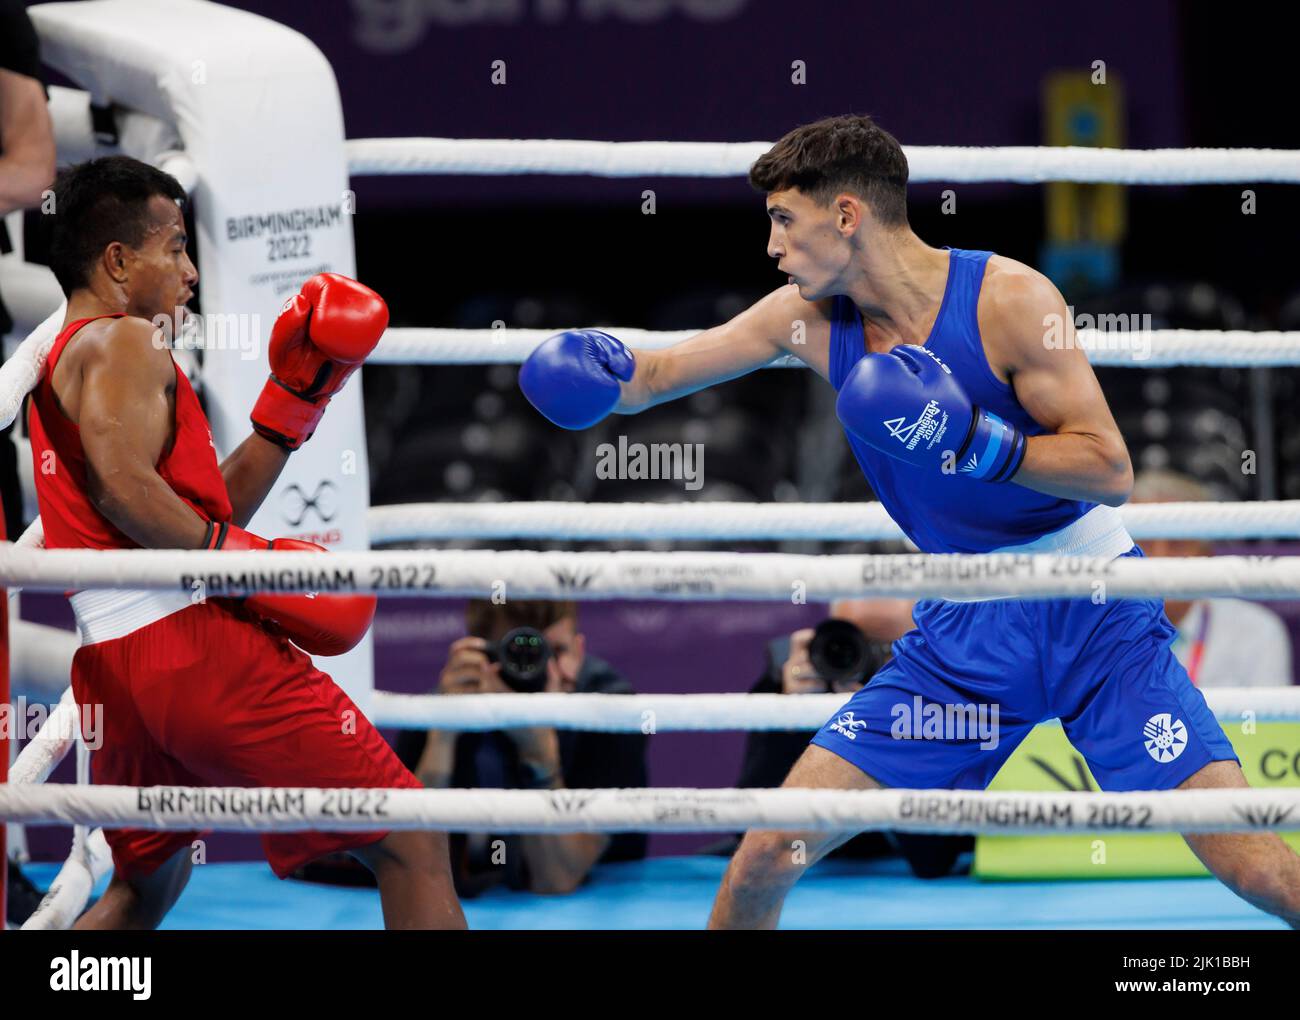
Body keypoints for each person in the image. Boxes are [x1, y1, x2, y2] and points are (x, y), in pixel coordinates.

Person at [517, 114, 1300, 929]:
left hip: (1093, 612)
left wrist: (975, 443)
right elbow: (664, 370)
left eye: (785, 220)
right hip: (962, 638)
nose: (773, 247)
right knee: (765, 853)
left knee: (1256, 867)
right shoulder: (807, 320)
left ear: (847, 215)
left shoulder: (1011, 299)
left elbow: (1109, 468)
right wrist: (605, 373)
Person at [30, 155, 464, 929]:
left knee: (144, 890)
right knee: (412, 840)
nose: (191, 272)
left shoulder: (72, 355)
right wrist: (248, 566)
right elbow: (124, 493)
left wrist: (290, 409)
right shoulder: (127, 341)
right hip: (192, 653)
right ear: (119, 261)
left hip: (119, 669)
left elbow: (189, 510)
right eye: (174, 249)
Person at [395, 599, 648, 896]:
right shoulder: (445, 706)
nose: (544, 670)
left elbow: (555, 879)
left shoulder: (610, 711)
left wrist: (540, 757)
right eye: (521, 654)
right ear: (483, 655)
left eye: (556, 652)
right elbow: (406, 861)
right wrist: (442, 737)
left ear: (580, 649)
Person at [737, 600, 972, 878]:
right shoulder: (791, 685)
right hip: (816, 873)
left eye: (888, 650)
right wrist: (795, 719)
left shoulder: (945, 696)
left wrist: (881, 721)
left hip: (897, 871)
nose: (860, 658)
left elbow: (933, 859)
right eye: (854, 640)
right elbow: (748, 830)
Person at [1132, 468, 1294, 688]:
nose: (1160, 558)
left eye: (1177, 544)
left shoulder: (1257, 631)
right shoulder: (1095, 632)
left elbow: (1271, 721)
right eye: (1145, 542)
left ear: (1204, 554)